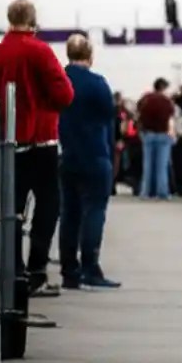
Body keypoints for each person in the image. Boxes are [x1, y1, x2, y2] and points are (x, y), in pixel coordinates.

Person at [0, 0, 75, 313]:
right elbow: (65, 94)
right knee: (49, 206)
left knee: (10, 210)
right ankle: (36, 269)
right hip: (41, 140)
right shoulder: (40, 51)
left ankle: (12, 270)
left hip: (6, 142)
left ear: (9, 20)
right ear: (34, 21)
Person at [57, 34, 120, 290]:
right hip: (94, 154)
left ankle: (69, 271)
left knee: (68, 214)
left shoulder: (58, 81)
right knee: (94, 210)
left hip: (67, 154)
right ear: (90, 55)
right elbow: (108, 114)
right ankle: (90, 268)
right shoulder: (97, 83)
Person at [136, 77, 175, 199]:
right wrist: (172, 133)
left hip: (148, 134)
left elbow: (139, 116)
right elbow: (170, 119)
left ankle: (146, 191)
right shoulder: (167, 102)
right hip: (163, 135)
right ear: (164, 88)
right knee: (161, 166)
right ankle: (162, 192)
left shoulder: (146, 100)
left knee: (148, 165)